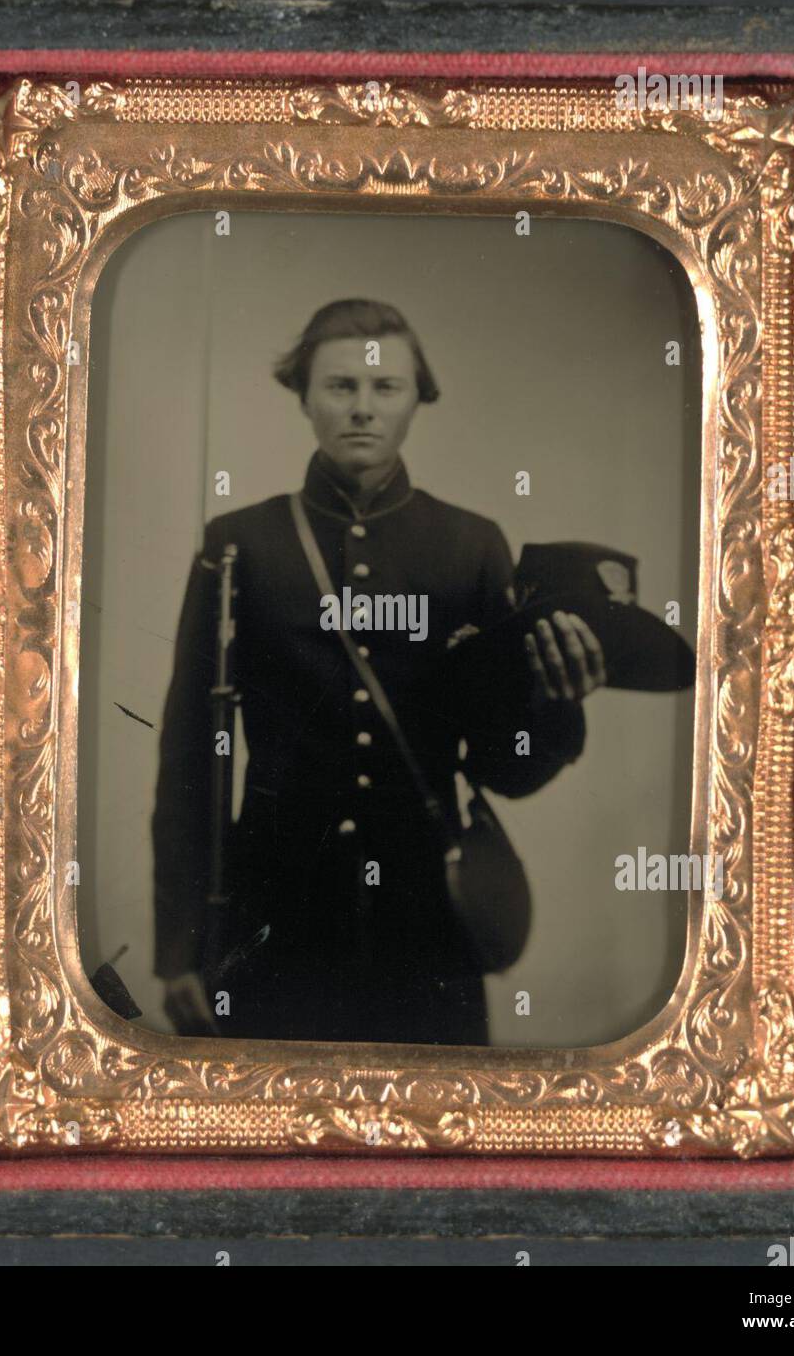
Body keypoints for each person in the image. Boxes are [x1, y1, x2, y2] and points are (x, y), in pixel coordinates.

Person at [152, 298, 605, 1046]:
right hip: (272, 919)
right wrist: (180, 945)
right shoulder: (239, 545)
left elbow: (505, 769)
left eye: (385, 388)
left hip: (428, 920)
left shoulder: (473, 545)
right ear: (303, 395)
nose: (363, 409)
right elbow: (189, 759)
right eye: (341, 386)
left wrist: (555, 704)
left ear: (416, 399)